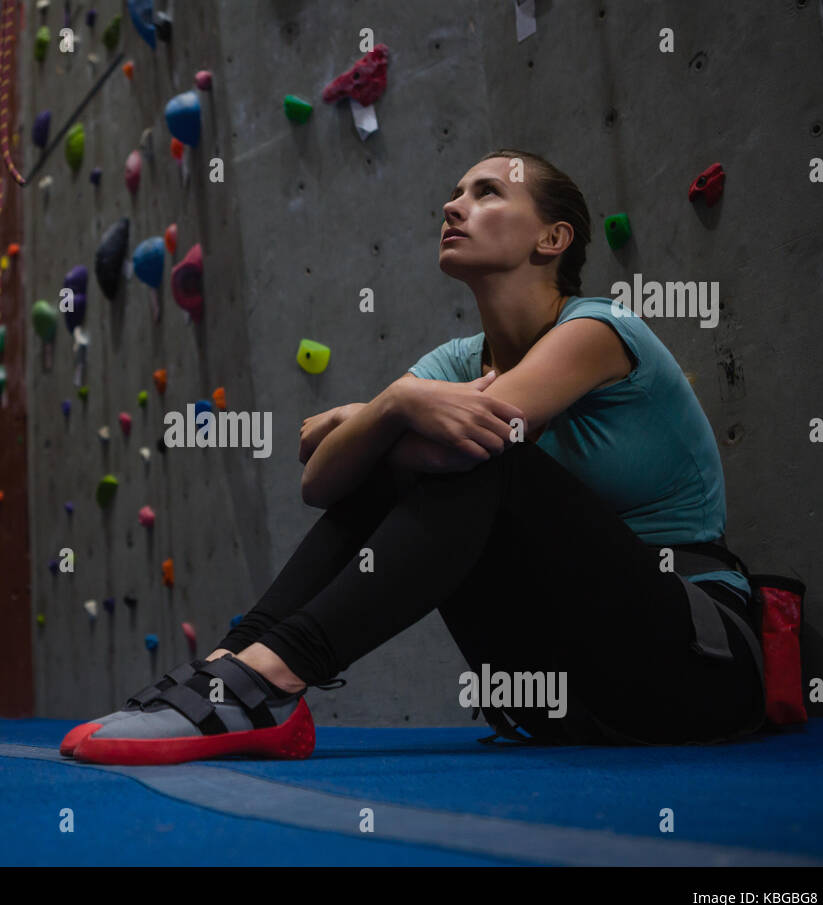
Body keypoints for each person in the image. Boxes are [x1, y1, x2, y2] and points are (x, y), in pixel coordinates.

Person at [62, 148, 766, 766]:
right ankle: (232, 662)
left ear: (553, 238)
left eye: (487, 192)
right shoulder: (459, 360)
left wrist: (366, 420)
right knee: (409, 460)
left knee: (485, 451)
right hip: (566, 685)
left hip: (700, 667)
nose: (454, 205)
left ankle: (275, 680)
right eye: (456, 193)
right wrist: (396, 405)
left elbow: (479, 435)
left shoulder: (600, 328)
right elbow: (321, 480)